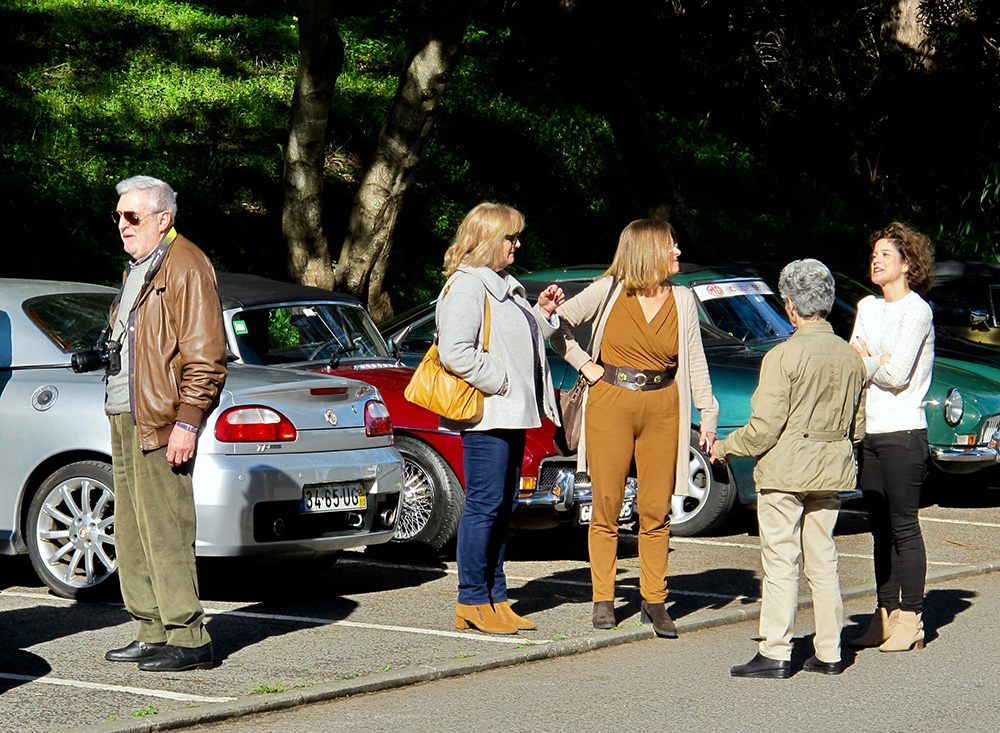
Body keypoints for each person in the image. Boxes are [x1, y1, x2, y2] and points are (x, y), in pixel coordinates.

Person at [551, 218, 718, 636]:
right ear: (647, 251)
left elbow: (695, 362)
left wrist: (709, 416)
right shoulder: (609, 289)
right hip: (611, 402)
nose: (678, 253)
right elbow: (556, 327)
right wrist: (584, 364)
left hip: (664, 407)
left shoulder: (681, 299)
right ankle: (603, 600)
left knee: (656, 509)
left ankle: (655, 601)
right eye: (671, 246)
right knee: (606, 506)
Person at [712, 259, 867, 678]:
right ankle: (831, 650)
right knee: (824, 559)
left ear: (791, 308)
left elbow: (763, 430)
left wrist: (725, 446)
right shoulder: (852, 358)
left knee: (781, 561)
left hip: (785, 471)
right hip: (831, 470)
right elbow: (858, 428)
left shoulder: (783, 355)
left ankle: (776, 650)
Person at [103, 175, 227, 671]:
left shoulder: (186, 264)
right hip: (125, 413)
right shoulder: (141, 266)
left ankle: (189, 637)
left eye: (132, 216)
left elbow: (206, 354)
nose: (122, 225)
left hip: (161, 417)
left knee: (166, 527)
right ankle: (151, 628)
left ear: (163, 219)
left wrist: (189, 421)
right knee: (133, 530)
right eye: (118, 216)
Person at [436, 202, 564, 634]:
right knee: (485, 506)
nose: (517, 244)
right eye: (510, 237)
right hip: (488, 413)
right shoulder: (468, 287)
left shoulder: (504, 284)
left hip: (509, 412)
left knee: (502, 506)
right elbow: (455, 351)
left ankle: (496, 596)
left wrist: (542, 314)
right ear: (490, 239)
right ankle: (472, 599)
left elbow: (520, 339)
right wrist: (501, 380)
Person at [849, 222, 935, 653]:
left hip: (904, 431)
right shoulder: (867, 305)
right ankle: (884, 614)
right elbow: (853, 362)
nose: (876, 260)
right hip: (871, 431)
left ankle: (912, 617)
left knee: (904, 526)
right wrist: (870, 360)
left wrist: (871, 360)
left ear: (907, 264)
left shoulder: (918, 310)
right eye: (874, 254)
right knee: (879, 529)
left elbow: (898, 375)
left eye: (886, 254)